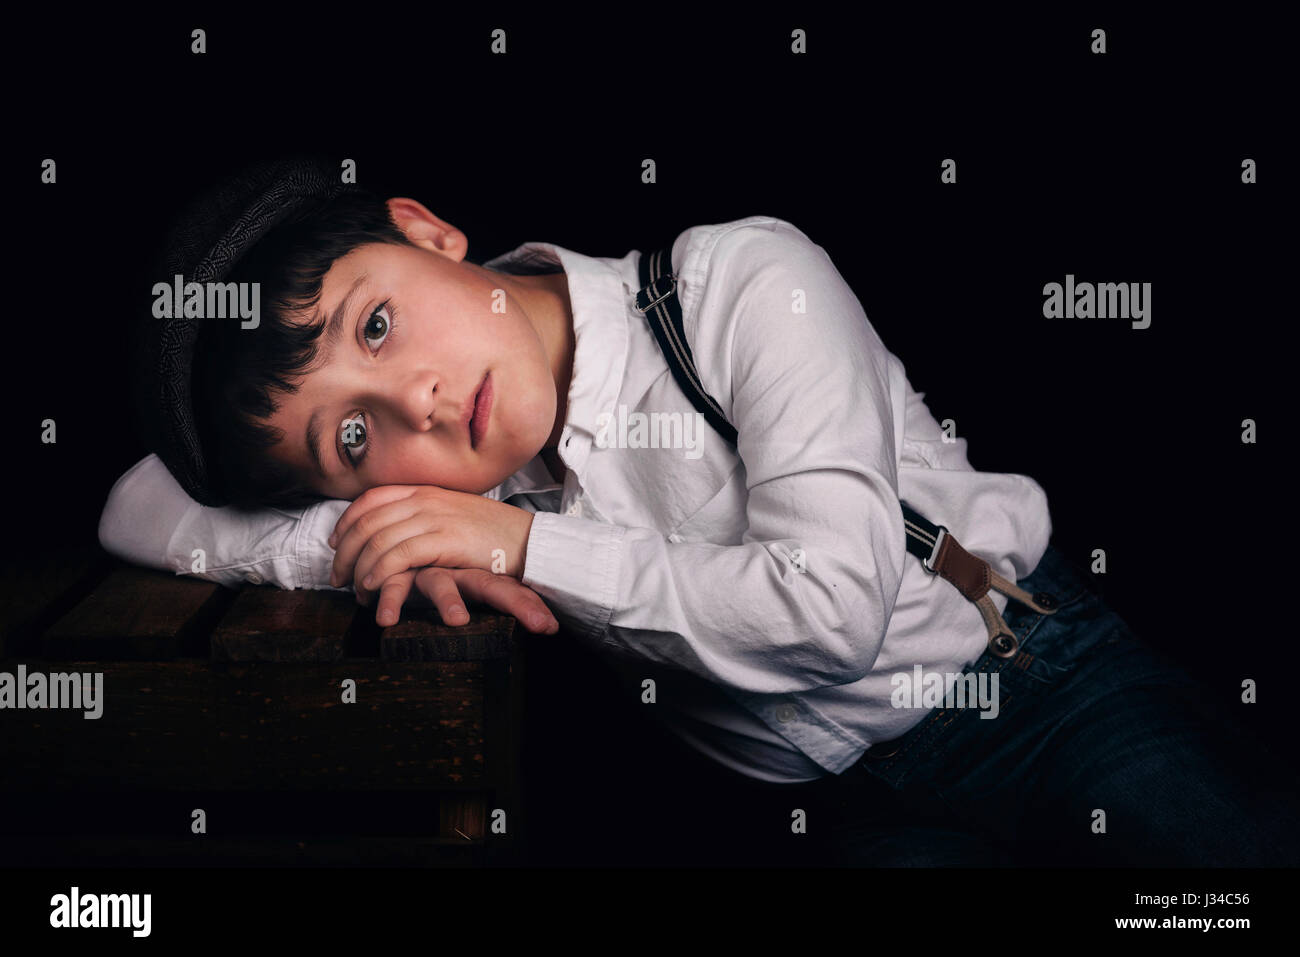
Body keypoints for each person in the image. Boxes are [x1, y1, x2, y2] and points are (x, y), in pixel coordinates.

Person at [100, 157, 1300, 866]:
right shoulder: (457, 469)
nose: (411, 400)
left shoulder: (737, 282)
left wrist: (517, 541)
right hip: (834, 806)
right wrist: (381, 532)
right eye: (352, 437)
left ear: (424, 231)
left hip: (1032, 693)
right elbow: (137, 504)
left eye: (376, 321)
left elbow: (832, 612)